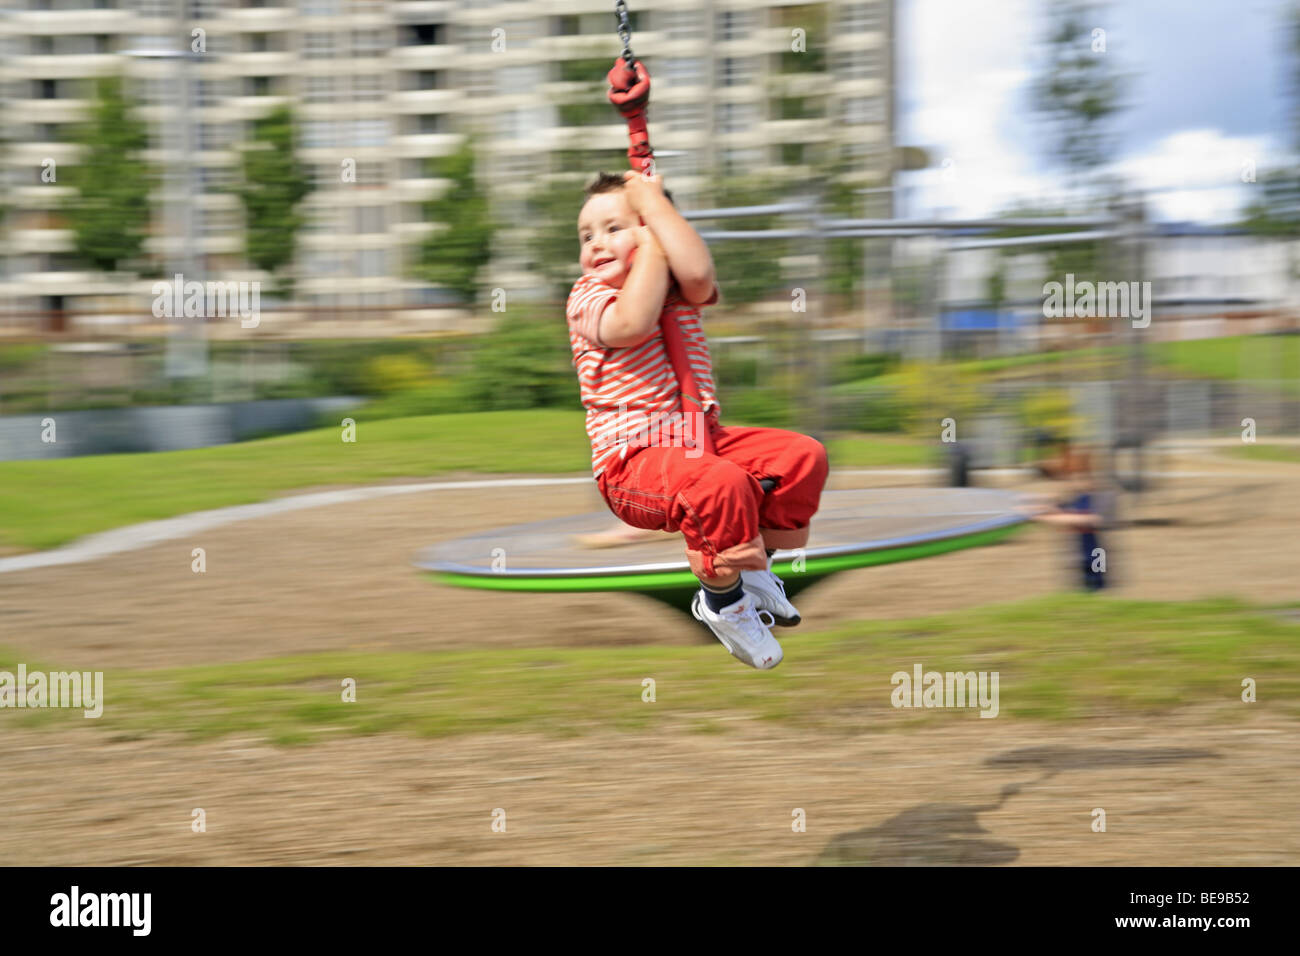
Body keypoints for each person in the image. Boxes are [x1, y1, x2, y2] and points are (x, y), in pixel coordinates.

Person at [566, 170, 828, 669]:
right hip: (631, 465)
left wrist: (656, 210)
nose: (596, 244)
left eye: (613, 228)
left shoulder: (679, 290)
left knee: (801, 457)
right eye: (586, 235)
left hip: (698, 439)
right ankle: (721, 603)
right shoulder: (588, 296)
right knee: (720, 483)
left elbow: (700, 273)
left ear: (652, 231)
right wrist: (646, 245)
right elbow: (632, 323)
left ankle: (754, 573)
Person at [1024, 440, 1114, 591]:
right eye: (1070, 478)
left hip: (1097, 555)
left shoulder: (1099, 496)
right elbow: (1057, 507)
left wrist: (1047, 517)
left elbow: (1088, 519)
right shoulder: (1076, 497)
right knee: (1078, 590)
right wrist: (1039, 507)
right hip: (1077, 557)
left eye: (1079, 477)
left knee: (1096, 588)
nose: (1072, 483)